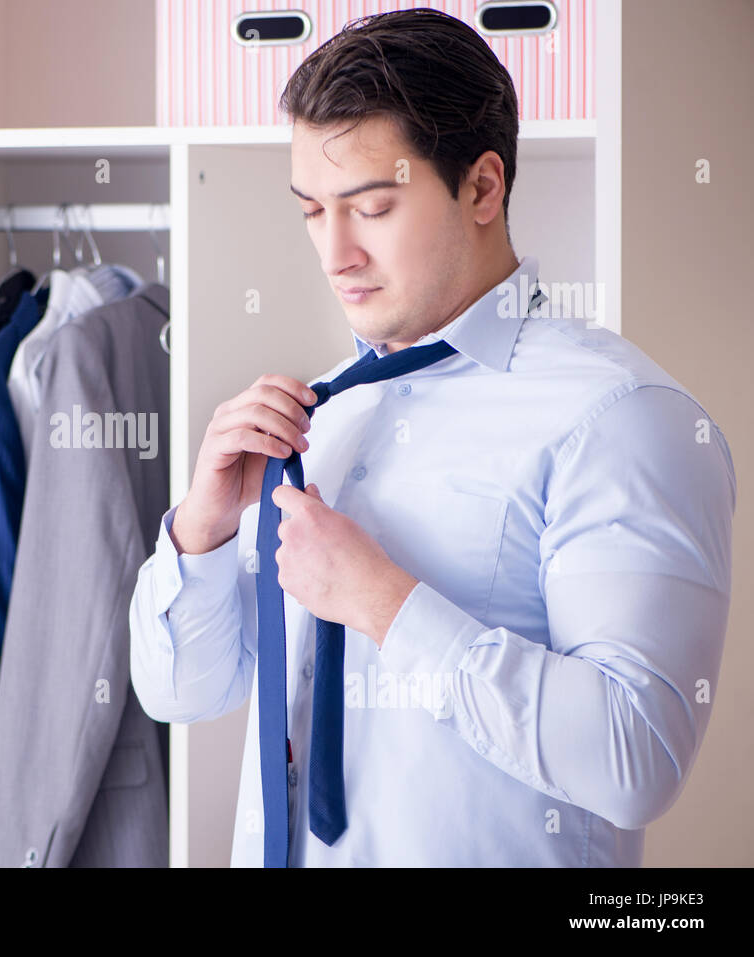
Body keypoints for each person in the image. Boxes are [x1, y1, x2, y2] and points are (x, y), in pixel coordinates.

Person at [129, 8, 736, 867]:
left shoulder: (622, 416)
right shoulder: (322, 421)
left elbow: (635, 757)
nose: (335, 252)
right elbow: (182, 692)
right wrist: (200, 529)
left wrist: (384, 601)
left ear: (483, 188)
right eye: (311, 211)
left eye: (371, 206)